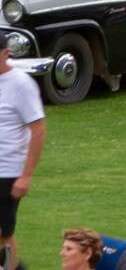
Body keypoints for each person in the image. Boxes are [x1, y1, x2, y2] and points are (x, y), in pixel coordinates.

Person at [0, 35, 45, 270]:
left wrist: (26, 176)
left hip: (7, 171)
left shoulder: (21, 84)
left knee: (3, 233)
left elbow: (37, 130)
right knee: (3, 234)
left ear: (6, 53)